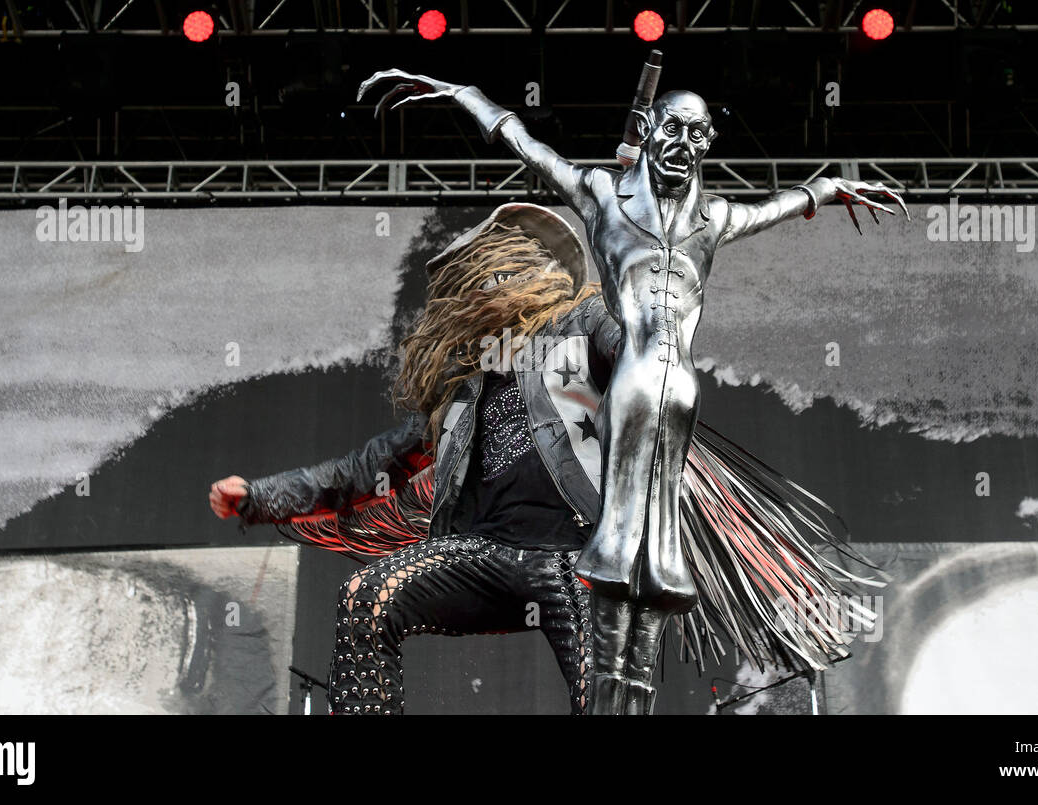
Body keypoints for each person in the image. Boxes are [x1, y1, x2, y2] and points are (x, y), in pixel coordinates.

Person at [357, 69, 904, 713]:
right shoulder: (604, 199)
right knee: (619, 538)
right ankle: (611, 696)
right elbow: (530, 148)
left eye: (701, 135)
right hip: (635, 385)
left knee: (662, 549)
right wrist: (464, 96)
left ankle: (635, 698)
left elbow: (777, 207)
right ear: (646, 130)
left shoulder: (712, 220)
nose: (687, 144)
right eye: (675, 128)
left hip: (681, 395)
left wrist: (829, 189)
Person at [210, 204, 617, 714]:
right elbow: (360, 472)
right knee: (366, 596)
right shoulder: (461, 392)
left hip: (577, 556)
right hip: (482, 556)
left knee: (606, 691)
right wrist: (258, 496)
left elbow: (652, 367)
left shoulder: (585, 322)